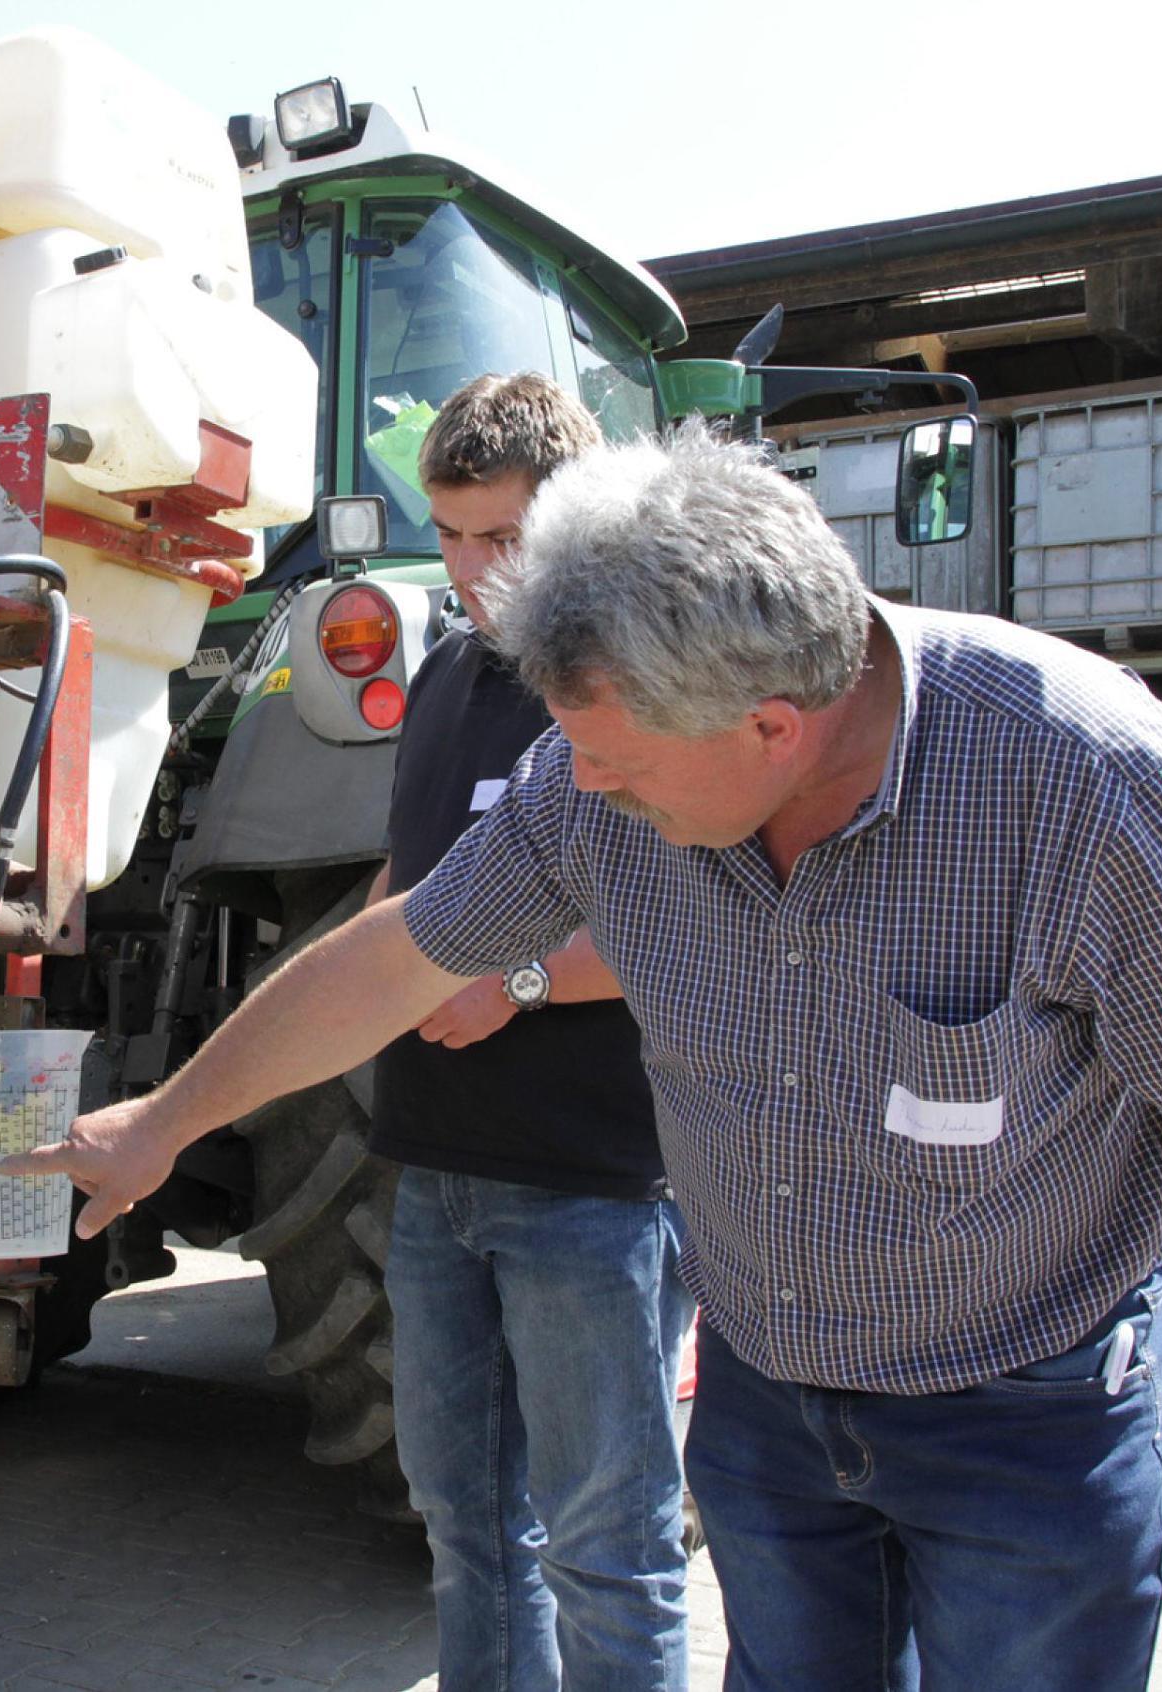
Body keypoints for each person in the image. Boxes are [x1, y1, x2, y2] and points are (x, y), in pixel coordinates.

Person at [8, 429, 1162, 1692]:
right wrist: (163, 1123)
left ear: (772, 726)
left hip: (1023, 1423)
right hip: (770, 1408)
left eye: (617, 763)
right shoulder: (596, 779)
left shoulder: (1096, 789)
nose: (583, 788)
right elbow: (394, 958)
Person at [369, 374, 693, 1692]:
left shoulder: (654, 676)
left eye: (500, 535)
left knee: (609, 1549)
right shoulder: (447, 676)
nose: (471, 569)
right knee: (469, 1533)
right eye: (449, 534)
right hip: (433, 1179)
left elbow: (697, 924)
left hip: (589, 1189)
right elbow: (405, 895)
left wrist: (510, 984)